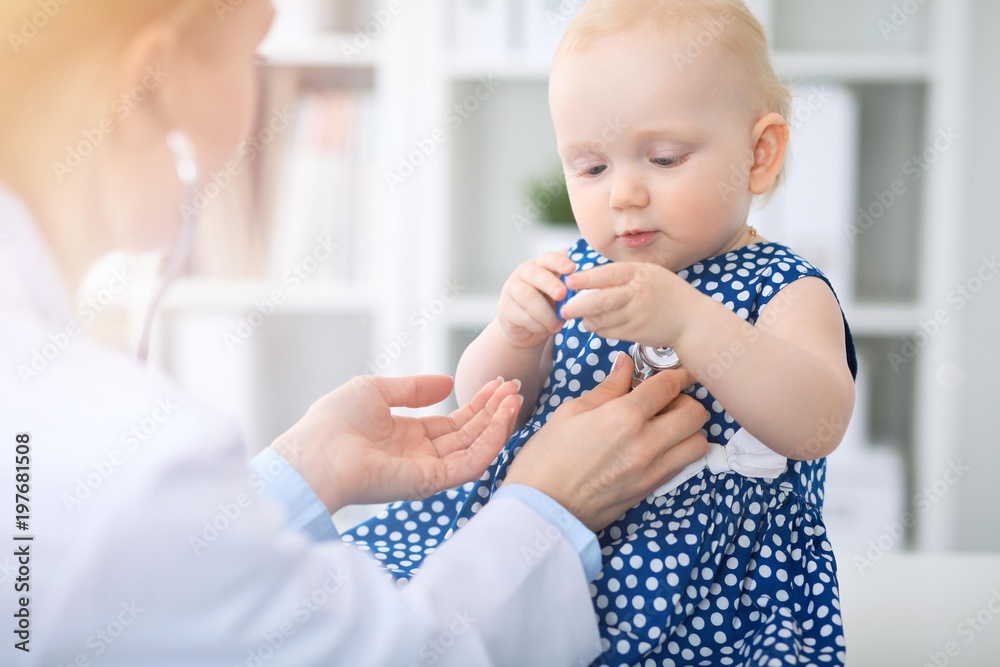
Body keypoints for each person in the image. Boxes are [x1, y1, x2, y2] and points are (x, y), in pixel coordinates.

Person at [0, 1, 712, 665]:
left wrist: (301, 470)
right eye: (254, 56)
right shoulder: (125, 456)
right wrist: (549, 506)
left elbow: (136, 574)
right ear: (153, 86)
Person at [341, 1, 858, 666]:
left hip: (715, 592)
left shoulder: (784, 285)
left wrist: (691, 320)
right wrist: (515, 336)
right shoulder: (581, 271)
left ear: (759, 155)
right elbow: (488, 406)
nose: (623, 194)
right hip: (554, 560)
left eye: (665, 158)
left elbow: (818, 422)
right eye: (591, 167)